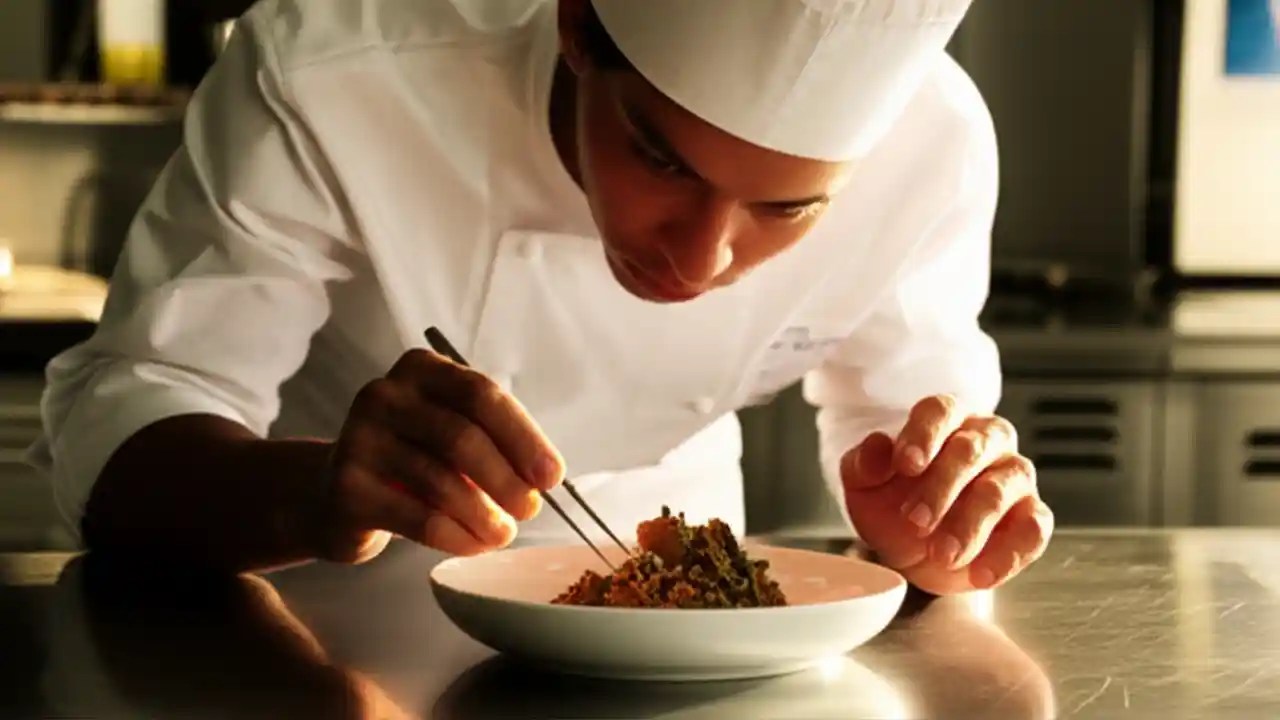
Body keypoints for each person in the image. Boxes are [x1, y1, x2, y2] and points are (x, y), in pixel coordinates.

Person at [30, 0, 1054, 596]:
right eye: (659, 158)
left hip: (683, 608)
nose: (701, 262)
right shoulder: (334, 73)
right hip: (311, 592)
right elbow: (132, 418)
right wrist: (315, 494)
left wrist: (929, 517)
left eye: (785, 211)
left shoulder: (935, 146)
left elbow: (908, 422)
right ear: (574, 24)